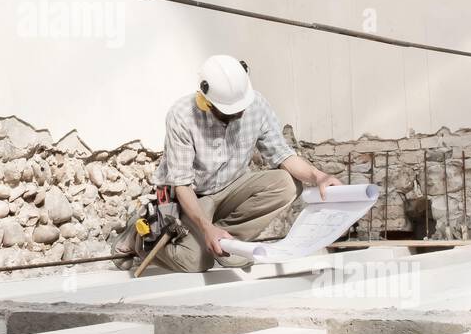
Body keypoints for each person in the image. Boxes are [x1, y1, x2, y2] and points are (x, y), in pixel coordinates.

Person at [119, 54, 341, 272]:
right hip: (193, 197)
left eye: (240, 108)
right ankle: (140, 237)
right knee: (196, 262)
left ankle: (226, 243)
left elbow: (282, 154)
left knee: (287, 184)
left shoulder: (257, 105)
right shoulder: (182, 116)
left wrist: (319, 177)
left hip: (231, 187)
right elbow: (182, 184)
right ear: (204, 101)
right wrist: (206, 227)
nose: (237, 114)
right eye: (227, 111)